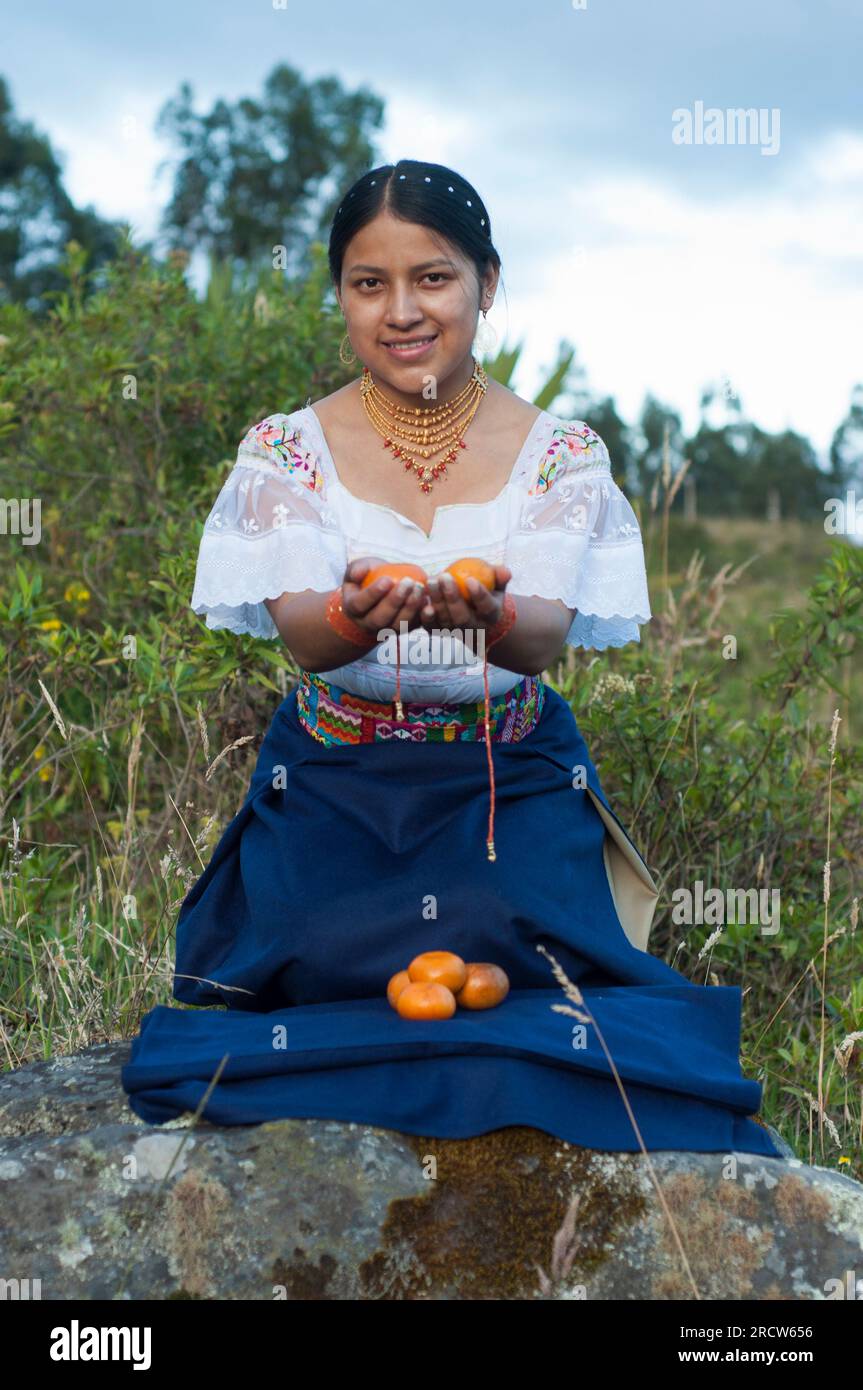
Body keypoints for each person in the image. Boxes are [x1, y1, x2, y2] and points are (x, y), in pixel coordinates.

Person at [121, 159, 783, 1158]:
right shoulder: (284, 452)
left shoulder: (560, 453)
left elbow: (542, 634)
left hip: (502, 787)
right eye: (367, 282)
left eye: (432, 277)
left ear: (486, 282)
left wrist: (484, 618)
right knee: (327, 951)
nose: (400, 311)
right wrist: (360, 620)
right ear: (338, 293)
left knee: (484, 933)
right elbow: (303, 630)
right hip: (336, 785)